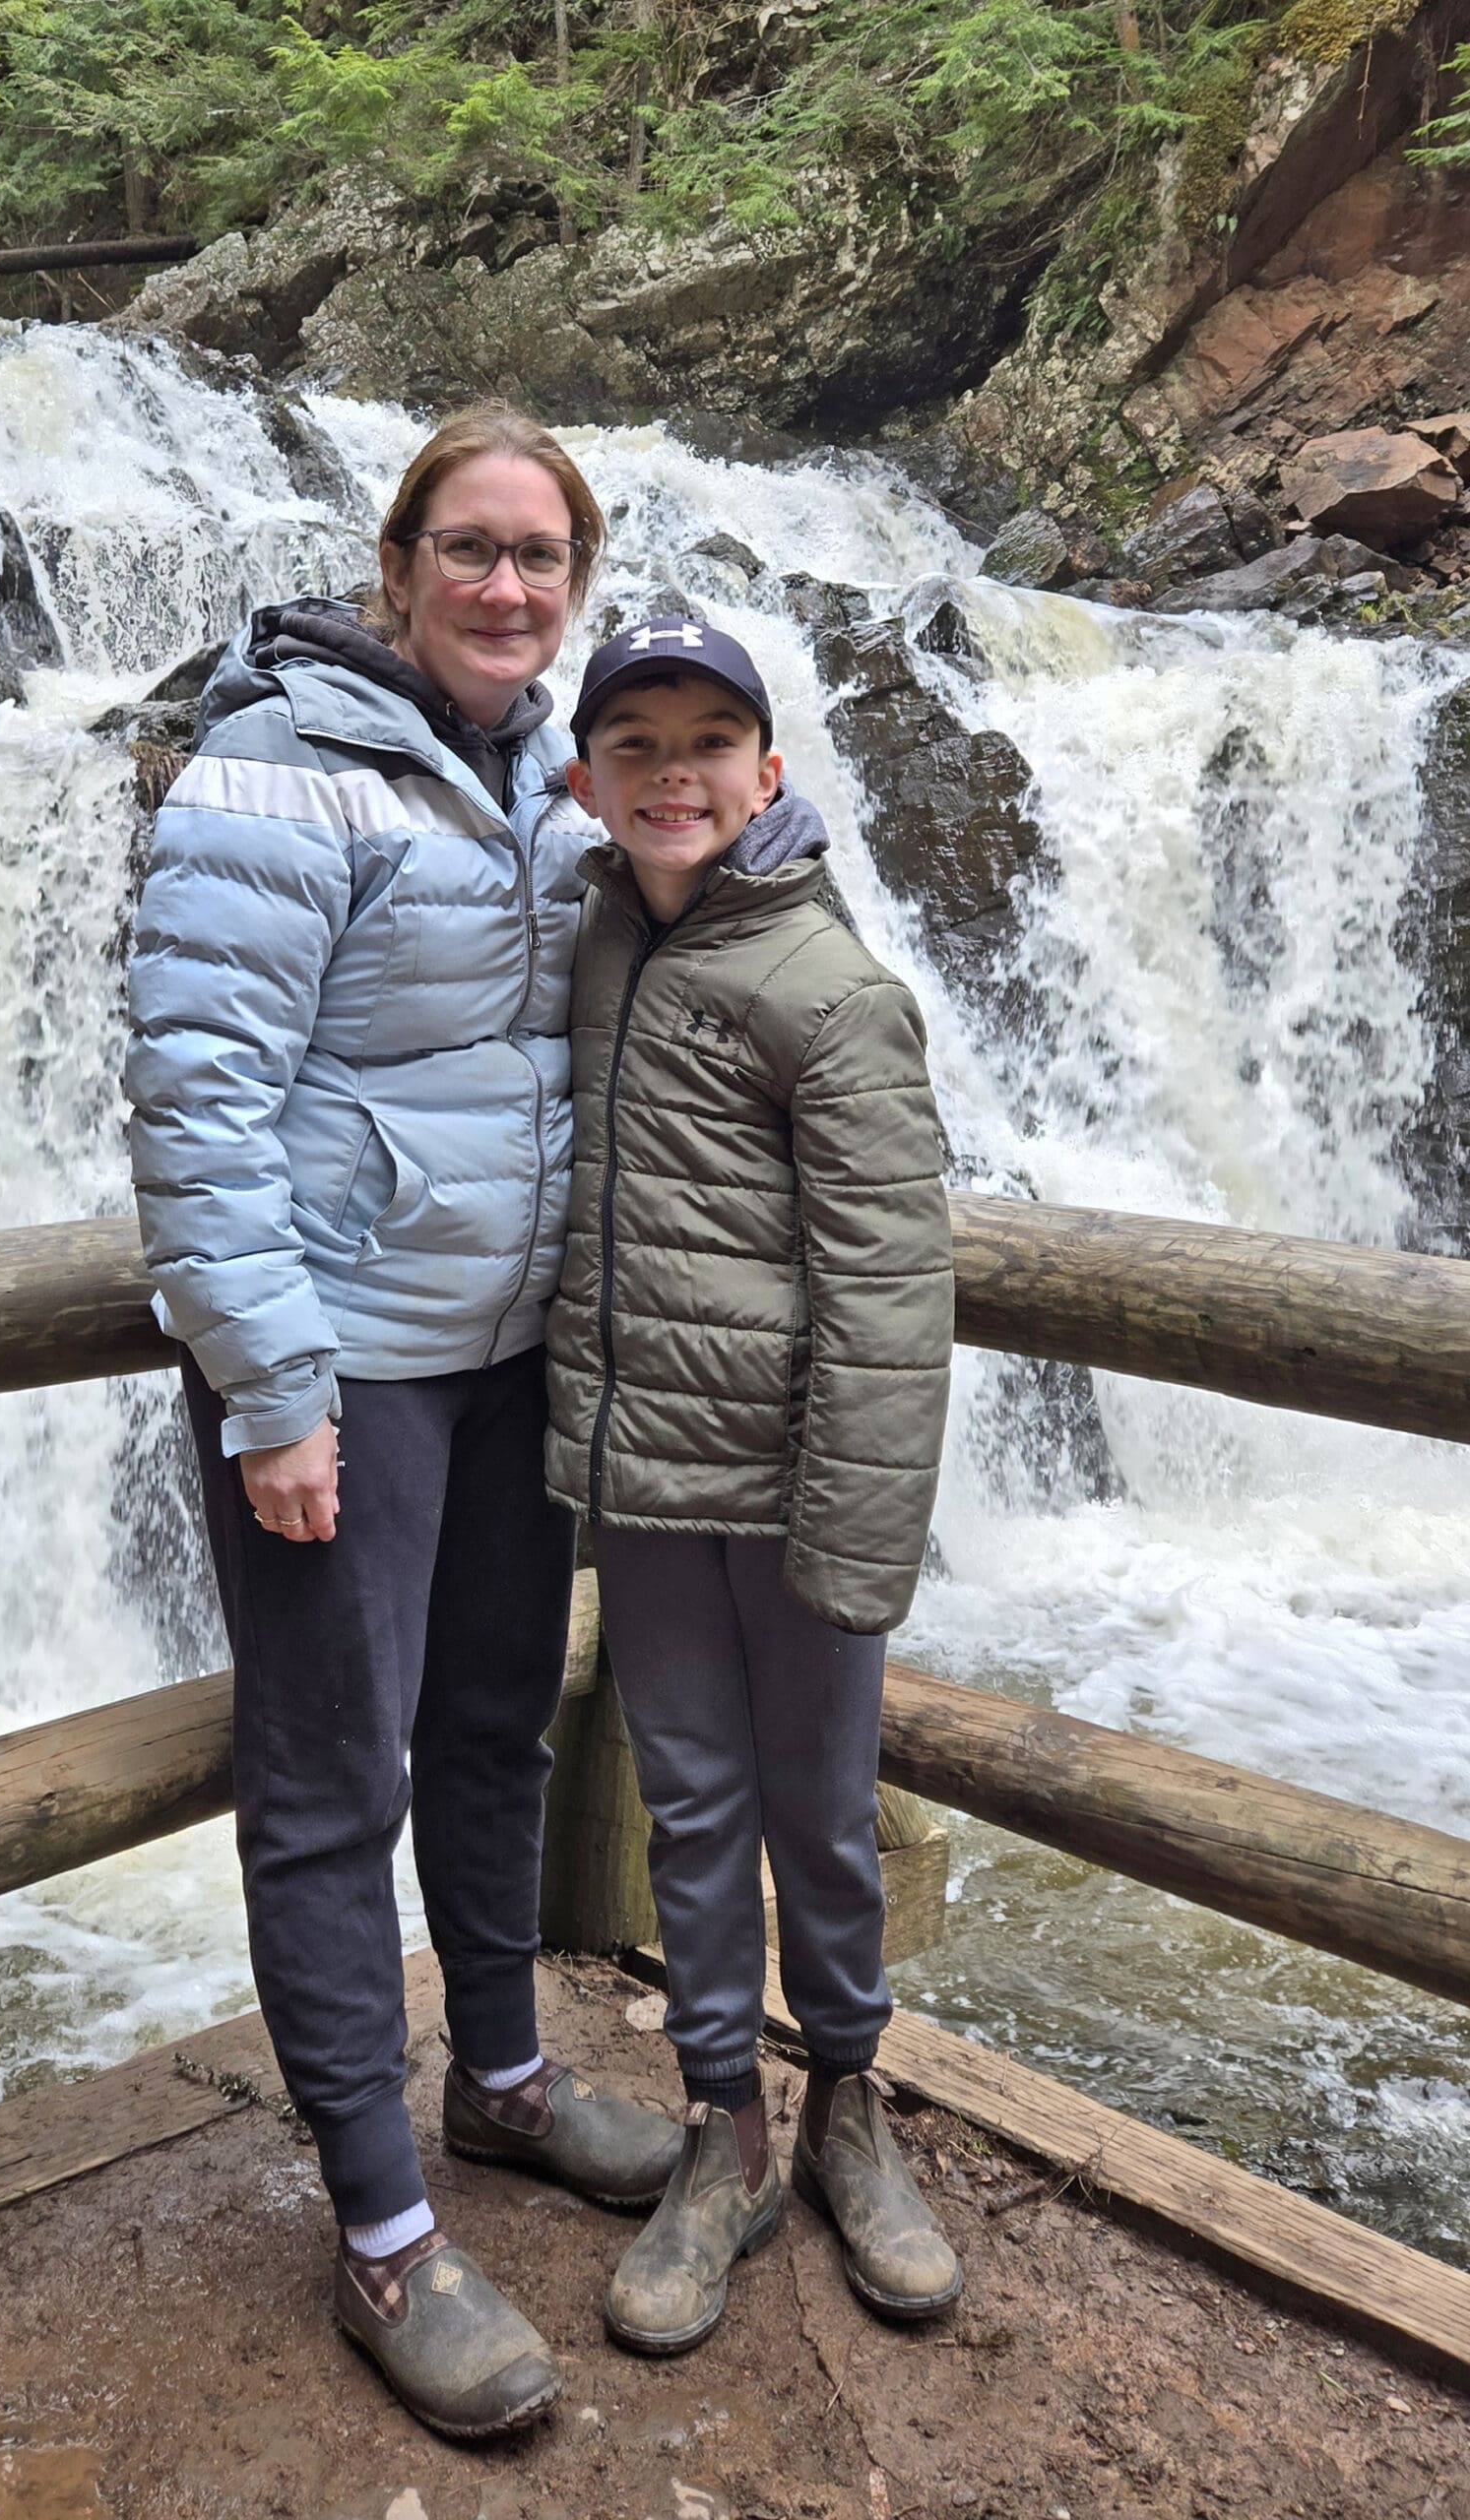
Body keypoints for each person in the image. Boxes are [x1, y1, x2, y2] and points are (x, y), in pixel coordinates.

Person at [124, 411, 682, 2440]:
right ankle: (379, 2227)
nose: (507, 586)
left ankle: (504, 2077)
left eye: (543, 556)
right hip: (343, 1359)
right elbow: (198, 1099)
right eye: (472, 547)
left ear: (576, 581)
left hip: (511, 1348)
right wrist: (273, 1388)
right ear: (398, 563)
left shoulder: (557, 764)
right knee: (332, 1777)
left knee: (496, 1726)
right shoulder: (276, 765)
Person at [544, 616, 962, 2355]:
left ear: (768, 773)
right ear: (584, 781)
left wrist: (856, 1539)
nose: (674, 774)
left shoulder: (829, 987)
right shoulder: (586, 938)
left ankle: (851, 2102)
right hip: (646, 1485)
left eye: (709, 741)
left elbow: (891, 1293)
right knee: (695, 1812)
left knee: (823, 1815)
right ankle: (723, 2132)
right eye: (634, 744)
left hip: (795, 1496)